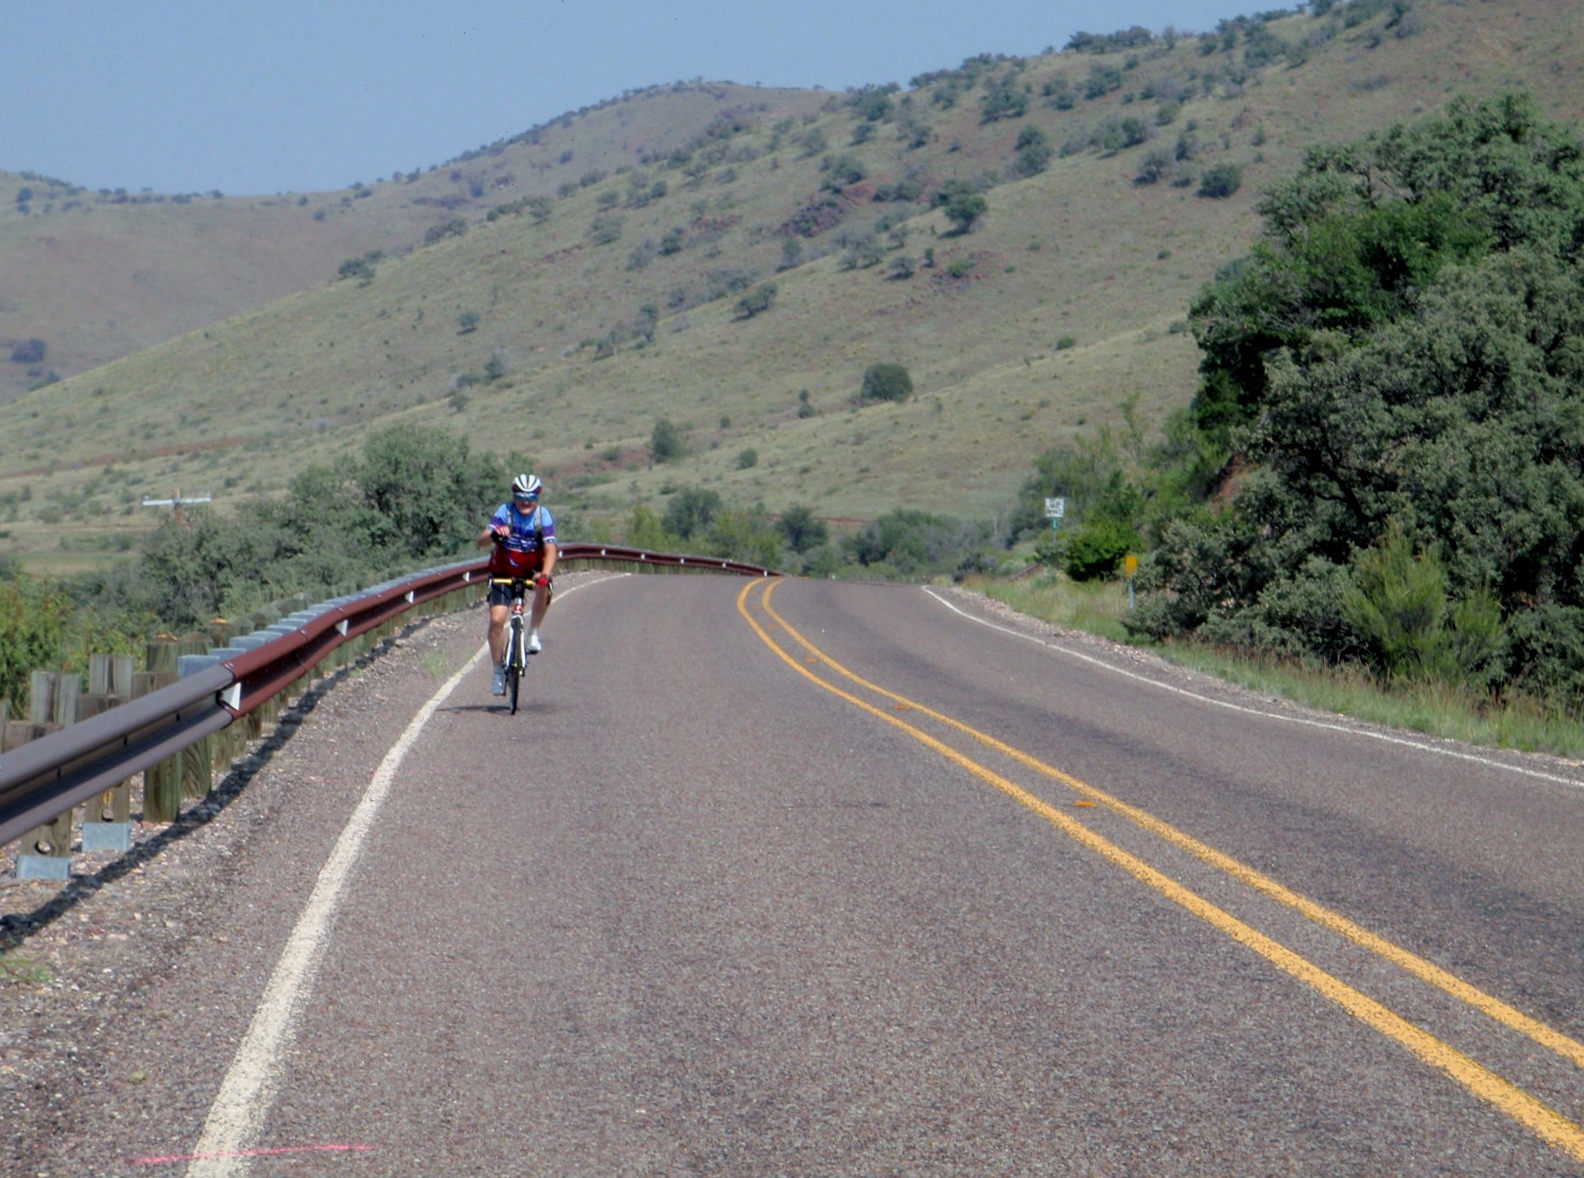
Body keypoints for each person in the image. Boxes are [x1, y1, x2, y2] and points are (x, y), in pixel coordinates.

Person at [480, 473, 558, 695]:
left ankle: (533, 632)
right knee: (497, 621)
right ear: (514, 496)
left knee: (544, 584)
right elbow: (482, 540)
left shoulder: (543, 516)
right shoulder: (505, 512)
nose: (526, 501)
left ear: (538, 497)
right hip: (503, 570)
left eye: (531, 497)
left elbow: (551, 548)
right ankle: (497, 670)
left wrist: (544, 573)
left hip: (531, 569)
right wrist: (495, 534)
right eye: (521, 496)